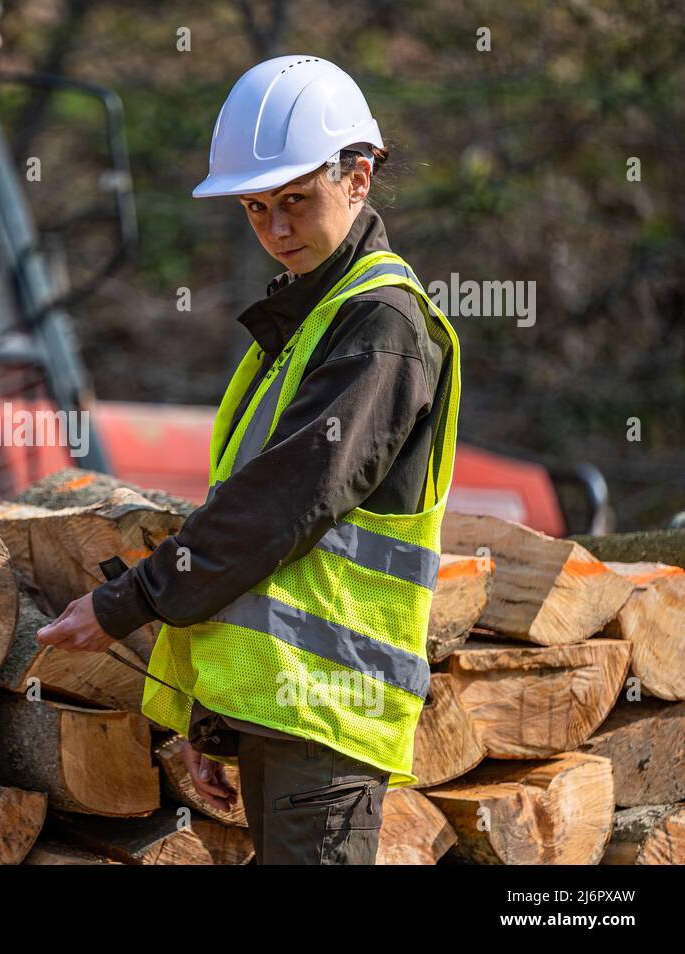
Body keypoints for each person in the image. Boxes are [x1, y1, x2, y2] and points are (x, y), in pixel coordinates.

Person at [36, 54, 462, 864]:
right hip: (283, 716)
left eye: (296, 200)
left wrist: (130, 601)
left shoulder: (382, 326)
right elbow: (255, 541)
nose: (276, 229)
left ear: (359, 178)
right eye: (256, 207)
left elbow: (278, 508)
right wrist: (212, 714)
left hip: (325, 718)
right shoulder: (305, 323)